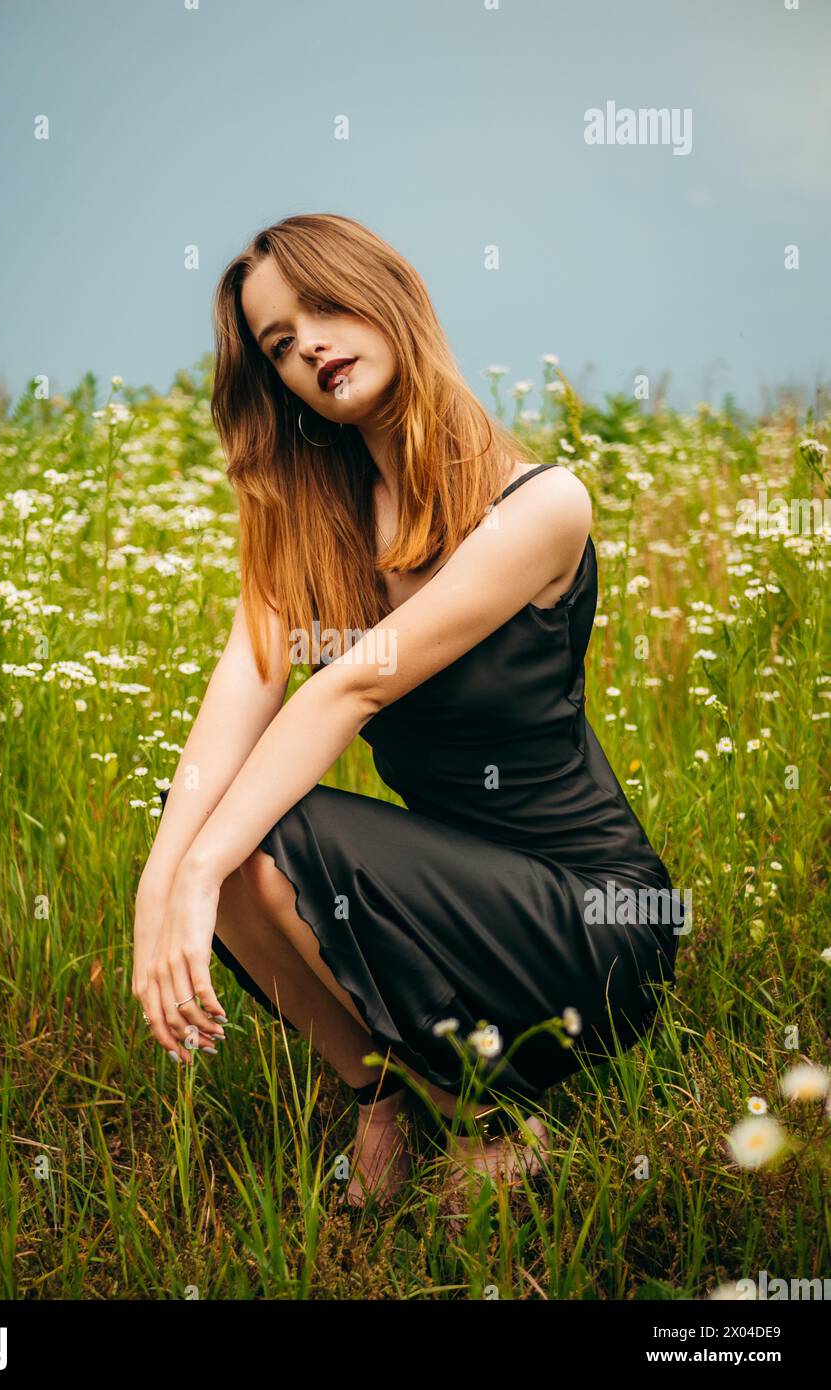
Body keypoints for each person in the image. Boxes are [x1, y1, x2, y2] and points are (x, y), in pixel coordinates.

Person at [133, 212, 681, 1212]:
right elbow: (243, 691)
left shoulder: (540, 506)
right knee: (206, 810)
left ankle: (494, 1130)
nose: (308, 346)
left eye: (324, 307)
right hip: (435, 899)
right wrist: (158, 882)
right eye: (279, 343)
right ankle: (386, 1090)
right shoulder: (313, 511)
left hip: (589, 921)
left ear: (389, 296)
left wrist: (200, 868)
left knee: (249, 830)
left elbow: (355, 685)